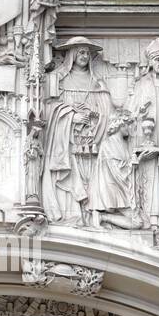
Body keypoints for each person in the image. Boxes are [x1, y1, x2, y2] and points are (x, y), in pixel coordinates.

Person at [41, 38, 112, 224]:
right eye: (80, 52)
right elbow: (48, 110)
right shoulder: (58, 79)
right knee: (72, 177)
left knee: (91, 177)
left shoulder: (97, 82)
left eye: (87, 53)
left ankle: (92, 215)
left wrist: (94, 115)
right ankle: (73, 215)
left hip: (91, 139)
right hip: (66, 140)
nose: (84, 56)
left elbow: (107, 111)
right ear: (71, 55)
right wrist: (71, 116)